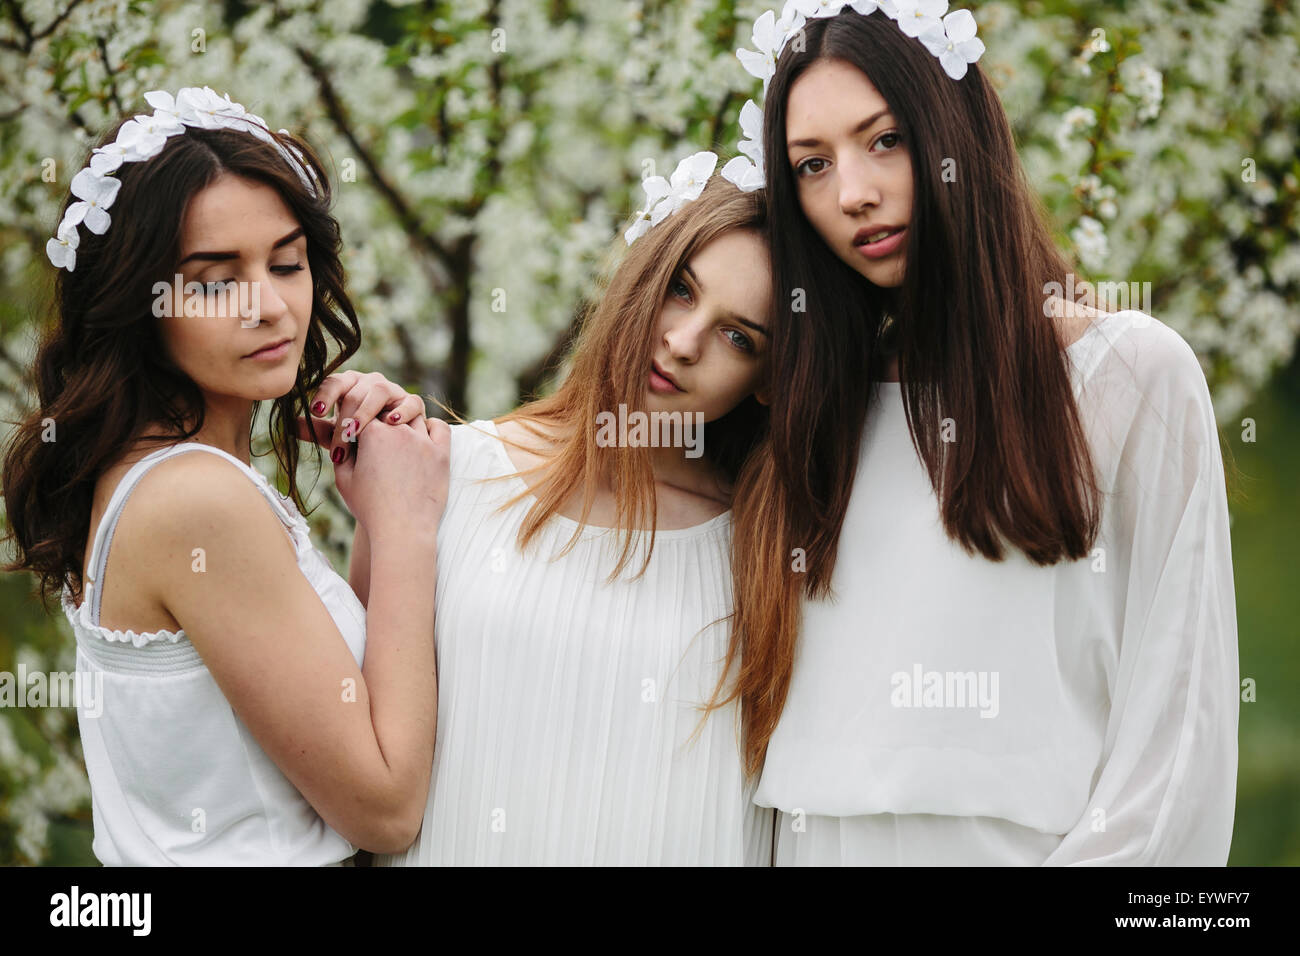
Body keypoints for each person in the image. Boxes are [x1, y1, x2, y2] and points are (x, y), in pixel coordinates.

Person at [708, 3, 1239, 865]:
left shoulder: (1127, 377)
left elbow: (1179, 744)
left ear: (953, 127)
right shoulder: (805, 409)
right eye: (811, 165)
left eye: (885, 140)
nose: (853, 193)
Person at [1, 87, 448, 865]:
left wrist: (377, 502)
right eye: (214, 281)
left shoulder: (164, 475)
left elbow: (355, 708)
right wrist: (410, 526)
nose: (270, 306)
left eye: (286, 262)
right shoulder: (195, 501)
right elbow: (385, 810)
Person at [376, 163, 781, 865]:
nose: (685, 342)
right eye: (680, 290)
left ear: (769, 382)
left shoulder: (761, 552)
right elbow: (371, 762)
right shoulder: (449, 472)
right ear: (639, 276)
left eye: (739, 337)